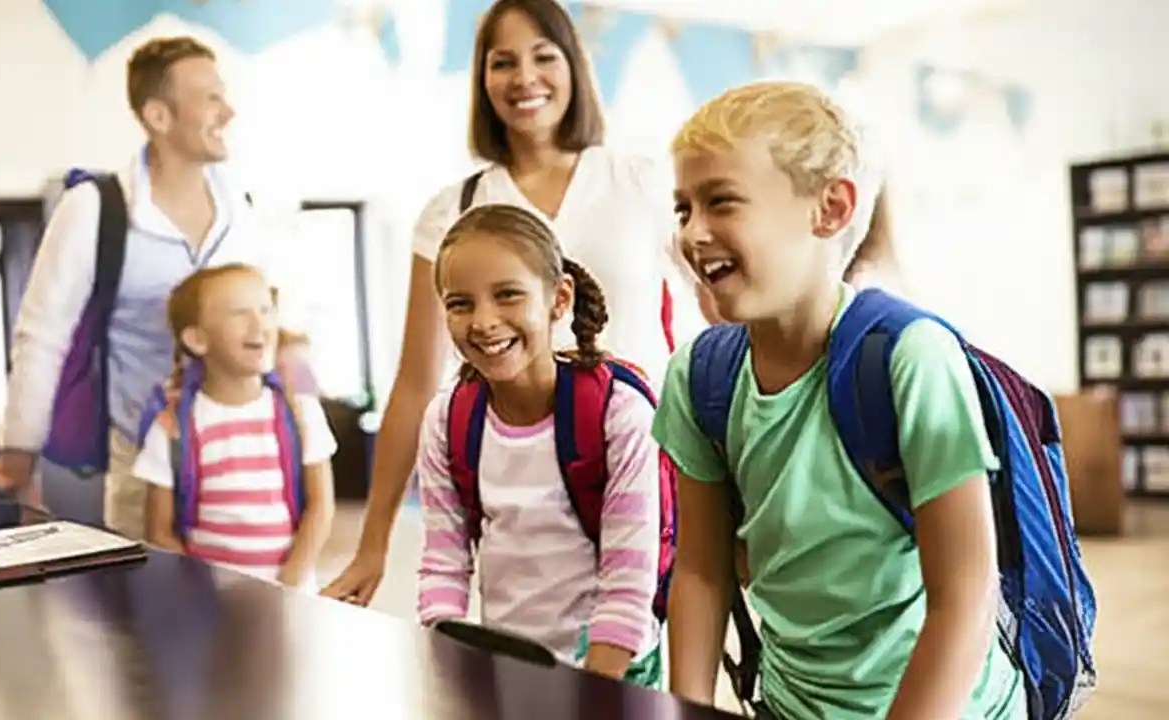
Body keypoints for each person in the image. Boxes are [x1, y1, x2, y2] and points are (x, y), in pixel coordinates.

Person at [654, 82, 1026, 718]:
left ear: (829, 208)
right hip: (792, 703)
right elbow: (701, 573)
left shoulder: (911, 359)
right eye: (684, 208)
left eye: (722, 202)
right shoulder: (699, 377)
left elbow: (965, 598)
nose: (694, 232)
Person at [323, 0, 706, 607]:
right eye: (503, 63)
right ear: (482, 80)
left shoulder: (640, 182)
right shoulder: (453, 209)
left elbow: (721, 310)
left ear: (574, 65)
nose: (524, 77)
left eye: (543, 56)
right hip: (523, 496)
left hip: (647, 475)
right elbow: (415, 383)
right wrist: (373, 545)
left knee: (643, 643)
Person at [0, 36, 265, 540]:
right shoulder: (95, 208)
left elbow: (268, 320)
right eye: (211, 98)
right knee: (148, 587)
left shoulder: (240, 208)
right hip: (139, 456)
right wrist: (19, 452)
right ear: (158, 116)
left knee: (248, 586)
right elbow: (43, 335)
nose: (229, 111)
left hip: (236, 453)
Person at [414, 203, 664, 685]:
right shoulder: (447, 419)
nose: (483, 321)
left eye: (507, 295)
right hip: (509, 667)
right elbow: (443, 566)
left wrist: (593, 694)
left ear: (559, 298)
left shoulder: (618, 413)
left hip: (614, 668)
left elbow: (628, 583)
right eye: (460, 303)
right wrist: (447, 672)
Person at [133, 264, 337, 593]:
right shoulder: (172, 430)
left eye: (266, 310)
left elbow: (321, 508)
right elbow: (159, 533)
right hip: (210, 607)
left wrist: (285, 587)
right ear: (197, 339)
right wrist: (203, 596)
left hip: (289, 601)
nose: (260, 324)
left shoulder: (302, 413)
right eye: (239, 313)